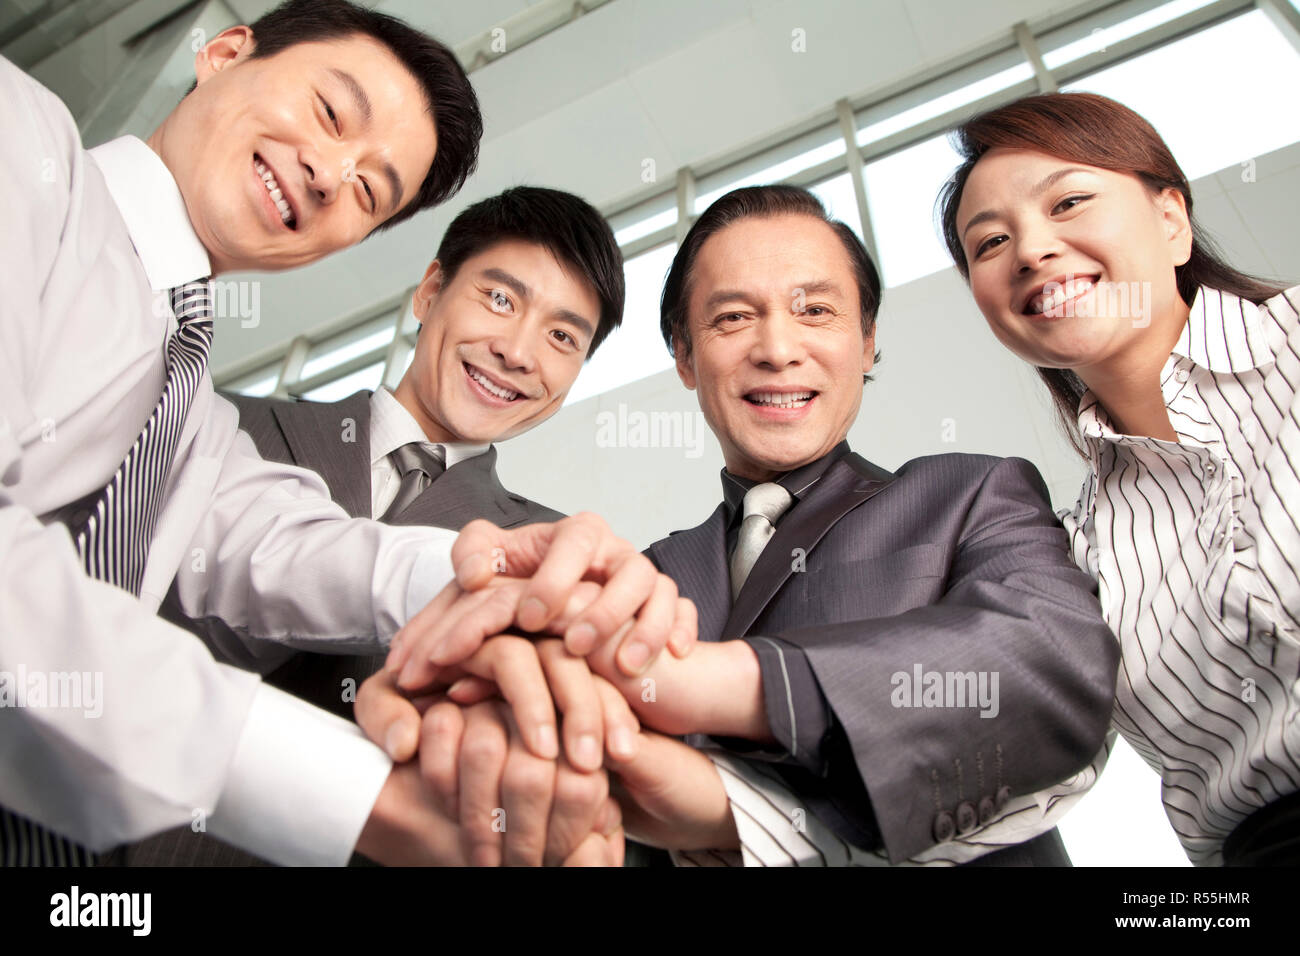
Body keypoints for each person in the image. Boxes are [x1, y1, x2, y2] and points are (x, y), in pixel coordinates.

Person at [0, 0, 685, 868]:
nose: (329, 176)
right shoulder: (16, 140)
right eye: (331, 113)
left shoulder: (190, 415)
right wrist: (369, 802)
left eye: (368, 190)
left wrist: (486, 573)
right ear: (223, 51)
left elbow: (280, 544)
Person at [377, 185, 1121, 865]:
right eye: (733, 318)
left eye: (815, 310)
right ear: (685, 358)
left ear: (866, 343)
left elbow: (1048, 666)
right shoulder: (641, 578)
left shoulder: (970, 493)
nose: (776, 348)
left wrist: (732, 685)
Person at [127, 184, 636, 865]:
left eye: (561, 337)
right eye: (500, 299)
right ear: (430, 291)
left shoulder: (549, 559)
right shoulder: (219, 426)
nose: (518, 350)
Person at [938, 91, 1300, 866]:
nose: (1032, 251)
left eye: (1068, 201)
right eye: (990, 242)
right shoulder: (1077, 553)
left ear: (1172, 218)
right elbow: (1006, 776)